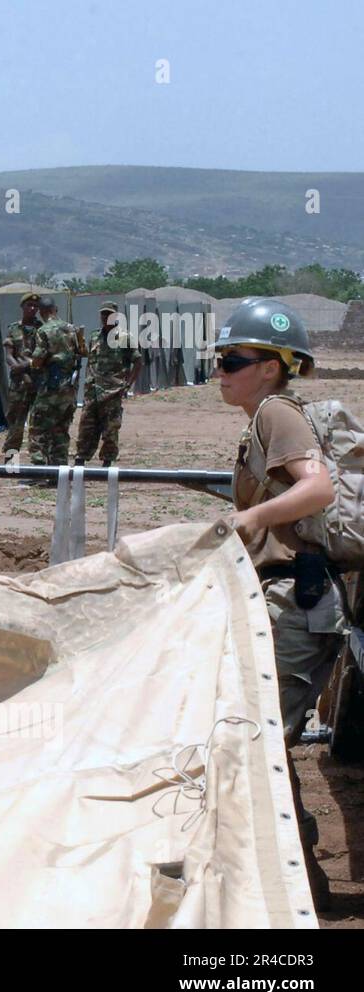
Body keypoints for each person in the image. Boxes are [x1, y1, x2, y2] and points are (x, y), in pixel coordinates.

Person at [218, 298, 343, 909]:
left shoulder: (276, 411)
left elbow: (318, 488)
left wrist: (252, 518)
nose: (220, 371)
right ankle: (297, 885)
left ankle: (290, 891)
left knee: (256, 743)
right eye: (219, 359)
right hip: (289, 596)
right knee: (256, 742)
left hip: (297, 600)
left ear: (270, 367)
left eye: (232, 361)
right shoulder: (262, 418)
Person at [75, 299, 142, 467]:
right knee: (86, 428)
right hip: (92, 392)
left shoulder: (125, 337)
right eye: (103, 314)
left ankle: (107, 464)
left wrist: (128, 384)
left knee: (110, 430)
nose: (106, 317)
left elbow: (138, 361)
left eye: (109, 314)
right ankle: (80, 461)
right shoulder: (94, 336)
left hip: (112, 392)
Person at [27, 296, 80, 471]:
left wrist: (30, 363)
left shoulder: (43, 331)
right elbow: (81, 353)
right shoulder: (71, 329)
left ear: (42, 312)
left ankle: (39, 469)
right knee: (60, 430)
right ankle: (59, 471)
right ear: (55, 309)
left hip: (50, 388)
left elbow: (38, 360)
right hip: (69, 388)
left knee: (37, 428)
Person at [1, 292, 42, 463]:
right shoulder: (14, 329)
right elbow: (9, 355)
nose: (32, 309)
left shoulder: (42, 329)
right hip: (18, 386)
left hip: (38, 384)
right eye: (29, 305)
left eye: (35, 306)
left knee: (38, 425)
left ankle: (38, 463)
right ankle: (11, 463)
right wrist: (18, 366)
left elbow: (43, 357)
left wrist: (24, 365)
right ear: (22, 307)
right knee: (15, 426)